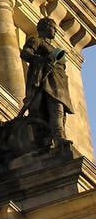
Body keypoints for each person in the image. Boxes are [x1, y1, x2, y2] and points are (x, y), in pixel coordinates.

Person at [20, 17, 73, 145]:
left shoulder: (54, 49)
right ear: (46, 27)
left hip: (58, 82)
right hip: (45, 81)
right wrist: (40, 60)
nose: (55, 31)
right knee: (54, 109)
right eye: (54, 28)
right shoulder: (36, 41)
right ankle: (57, 137)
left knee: (60, 111)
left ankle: (55, 137)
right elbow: (25, 53)